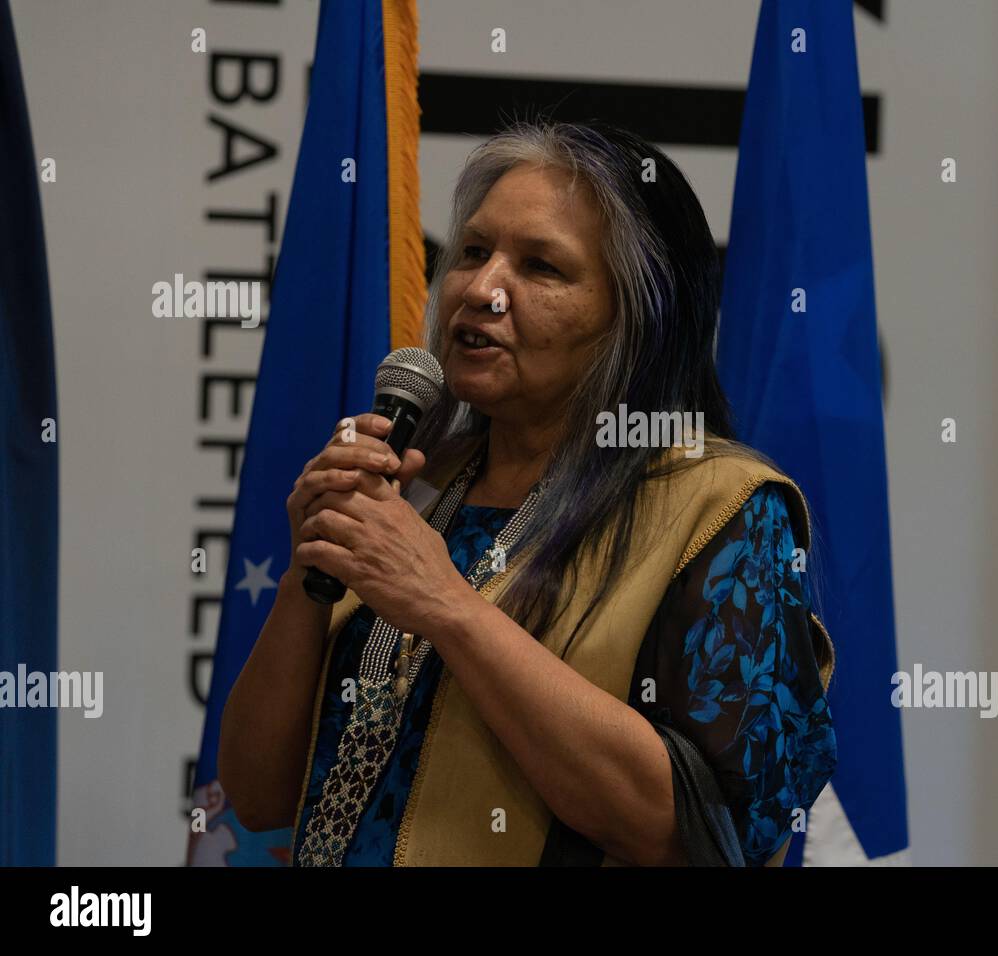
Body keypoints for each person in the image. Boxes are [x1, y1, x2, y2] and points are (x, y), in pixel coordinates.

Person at [218, 120, 837, 866]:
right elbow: (256, 797)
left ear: (637, 319)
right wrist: (304, 578)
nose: (481, 290)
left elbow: (702, 831)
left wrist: (447, 606)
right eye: (474, 251)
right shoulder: (414, 484)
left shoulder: (721, 507)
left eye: (540, 267)